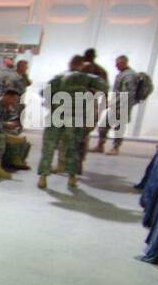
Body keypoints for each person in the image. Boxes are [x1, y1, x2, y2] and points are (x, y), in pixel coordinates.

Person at [39, 55, 108, 191]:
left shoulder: (59, 77)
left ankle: (43, 178)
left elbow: (43, 92)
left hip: (56, 116)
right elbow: (104, 86)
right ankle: (72, 178)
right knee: (73, 148)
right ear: (82, 65)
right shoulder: (87, 78)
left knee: (49, 147)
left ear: (70, 63)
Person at [96, 55, 143, 154]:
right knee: (103, 126)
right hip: (115, 106)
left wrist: (113, 103)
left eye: (117, 64)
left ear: (124, 63)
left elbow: (127, 94)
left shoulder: (129, 76)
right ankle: (100, 145)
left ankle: (115, 148)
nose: (115, 66)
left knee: (118, 128)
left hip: (122, 107)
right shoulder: (123, 74)